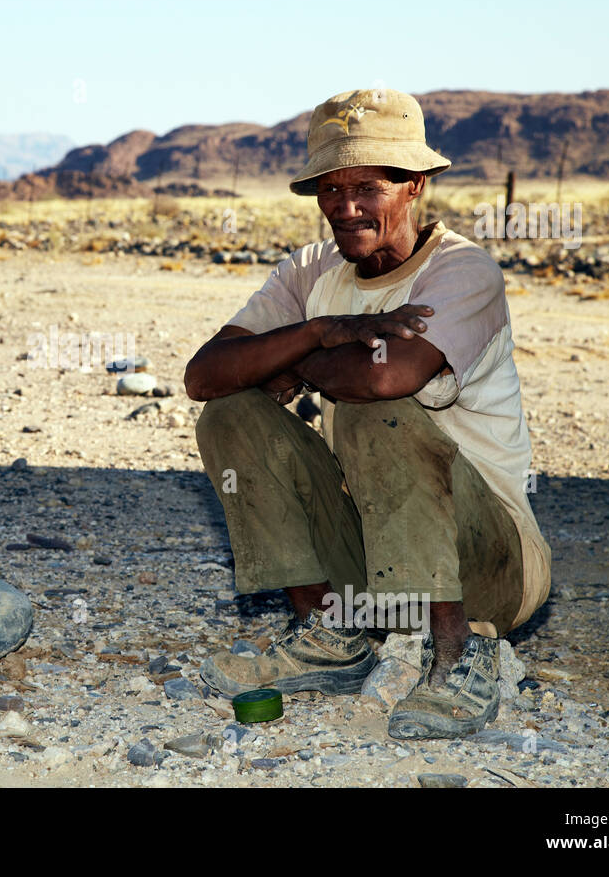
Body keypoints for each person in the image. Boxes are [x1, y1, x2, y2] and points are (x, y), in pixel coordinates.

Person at [184, 88, 551, 739]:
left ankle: (460, 651)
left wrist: (296, 365)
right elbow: (205, 374)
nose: (345, 207)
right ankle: (330, 632)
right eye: (331, 189)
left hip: (486, 562)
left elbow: (386, 377)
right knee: (230, 412)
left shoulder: (463, 269)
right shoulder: (311, 271)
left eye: (369, 187)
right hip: (374, 564)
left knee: (368, 409)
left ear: (415, 185)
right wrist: (323, 328)